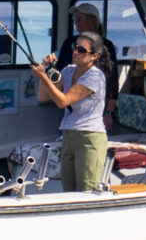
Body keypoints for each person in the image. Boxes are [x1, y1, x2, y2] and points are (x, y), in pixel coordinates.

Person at [33, 31, 108, 192]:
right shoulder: (68, 71)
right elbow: (43, 96)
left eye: (82, 50)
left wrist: (43, 77)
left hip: (89, 138)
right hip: (69, 135)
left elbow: (63, 101)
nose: (75, 52)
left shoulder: (95, 77)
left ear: (94, 56)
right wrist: (45, 71)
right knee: (69, 192)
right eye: (75, 47)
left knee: (87, 191)